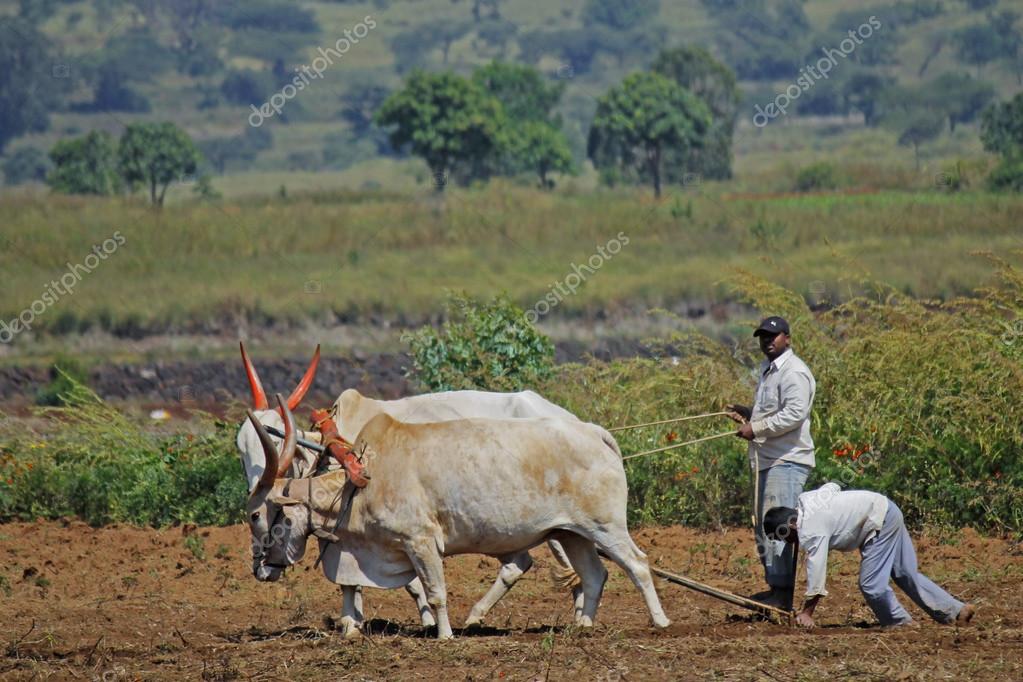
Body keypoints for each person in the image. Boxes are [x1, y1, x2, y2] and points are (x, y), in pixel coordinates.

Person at [764, 482, 976, 629]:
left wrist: (807, 613)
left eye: (785, 537)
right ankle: (957, 611)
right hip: (886, 508)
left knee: (871, 584)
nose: (788, 543)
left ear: (792, 524)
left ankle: (900, 623)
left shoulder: (811, 529)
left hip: (879, 521)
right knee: (904, 573)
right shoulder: (807, 500)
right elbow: (833, 487)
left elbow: (817, 575)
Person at [727, 316, 815, 609]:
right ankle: (776, 588)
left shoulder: (794, 372)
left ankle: (782, 594)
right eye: (764, 336)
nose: (768, 341)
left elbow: (794, 414)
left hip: (787, 459)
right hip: (768, 459)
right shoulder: (768, 370)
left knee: (779, 527)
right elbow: (774, 411)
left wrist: (756, 428)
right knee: (766, 526)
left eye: (774, 336)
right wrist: (750, 413)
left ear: (787, 338)